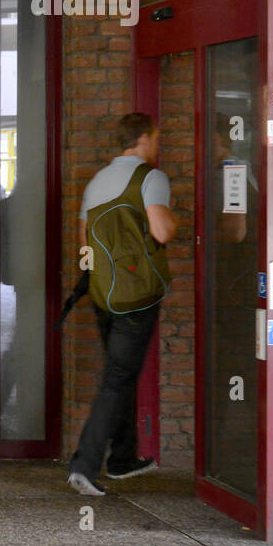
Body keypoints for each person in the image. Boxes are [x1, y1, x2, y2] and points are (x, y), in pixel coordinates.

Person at [67, 113, 176, 495]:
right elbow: (162, 230)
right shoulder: (150, 177)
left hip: (104, 293)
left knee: (122, 371)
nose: (156, 145)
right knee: (117, 378)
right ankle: (84, 465)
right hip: (138, 296)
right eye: (155, 138)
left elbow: (84, 246)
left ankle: (123, 458)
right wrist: (172, 226)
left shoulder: (97, 181)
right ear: (145, 138)